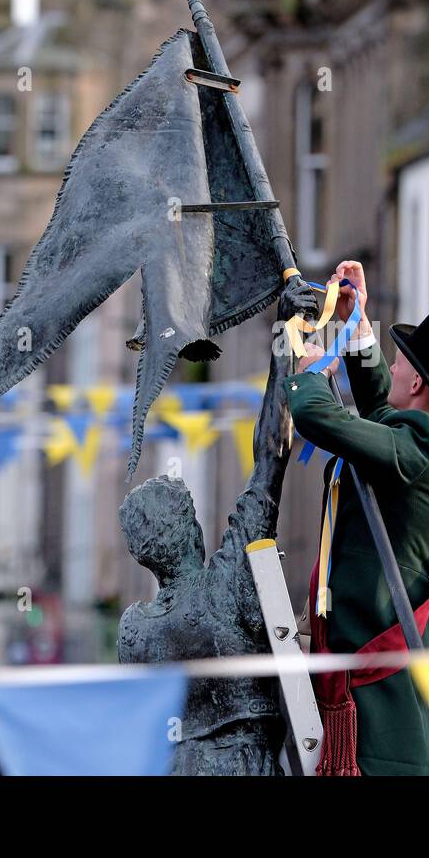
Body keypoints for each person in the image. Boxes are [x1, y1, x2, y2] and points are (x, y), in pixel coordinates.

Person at [285, 260, 429, 775]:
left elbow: (319, 416)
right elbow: (383, 410)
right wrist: (355, 323)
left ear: (421, 386)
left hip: (377, 700)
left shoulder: (422, 447)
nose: (394, 365)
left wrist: (312, 373)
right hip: (369, 670)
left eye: (401, 361)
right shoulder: (425, 440)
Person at [116, 282, 316, 774]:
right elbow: (271, 455)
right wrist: (284, 339)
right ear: (191, 532)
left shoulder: (134, 633)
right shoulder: (225, 585)